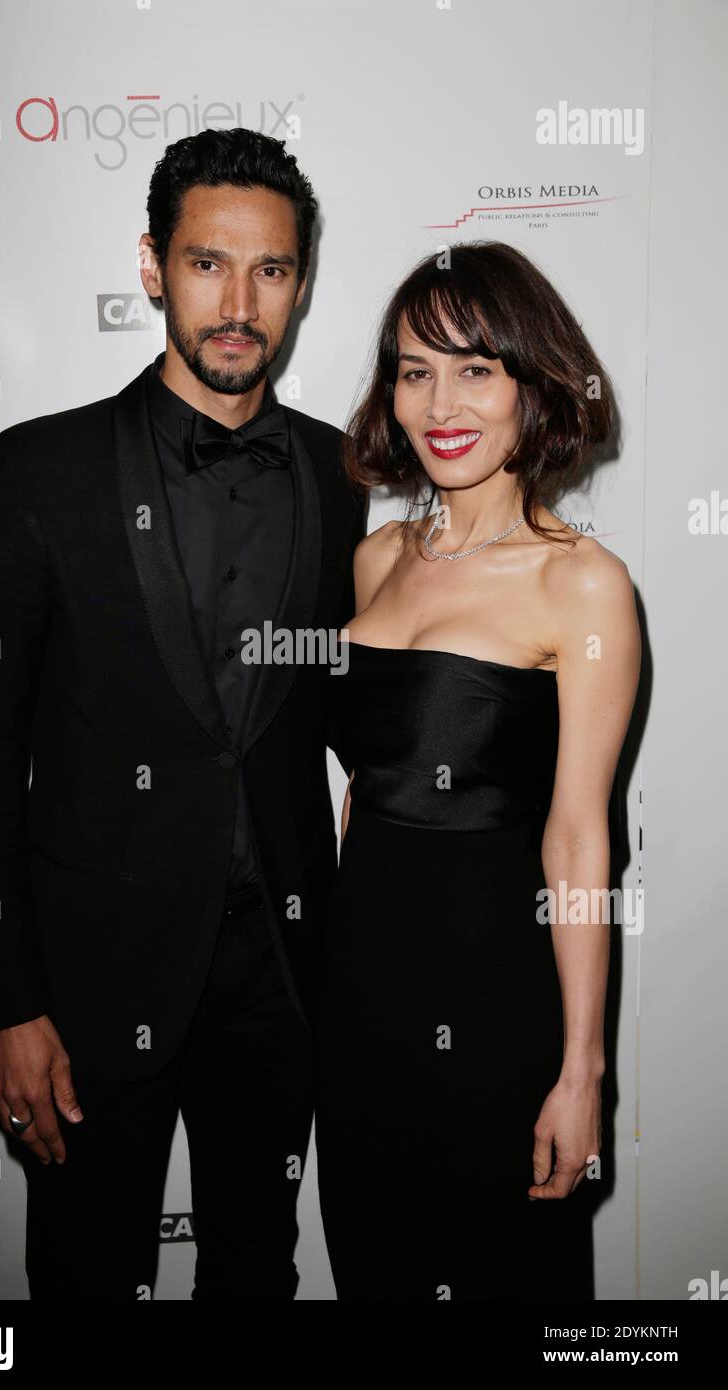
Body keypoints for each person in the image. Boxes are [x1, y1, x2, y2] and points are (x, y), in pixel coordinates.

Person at [0, 127, 365, 1301]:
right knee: (84, 1277)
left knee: (253, 1268)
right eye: (206, 263)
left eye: (269, 270)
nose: (238, 302)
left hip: (278, 975)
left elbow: (352, 713)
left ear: (301, 283)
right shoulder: (37, 472)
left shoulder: (345, 478)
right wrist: (6, 1000)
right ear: (150, 265)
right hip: (85, 980)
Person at [314, 241, 641, 1300]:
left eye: (473, 367)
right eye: (413, 369)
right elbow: (364, 791)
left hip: (496, 1003)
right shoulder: (375, 558)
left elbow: (579, 837)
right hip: (361, 1004)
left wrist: (580, 1069)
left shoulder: (580, 582)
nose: (438, 401)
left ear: (530, 383)